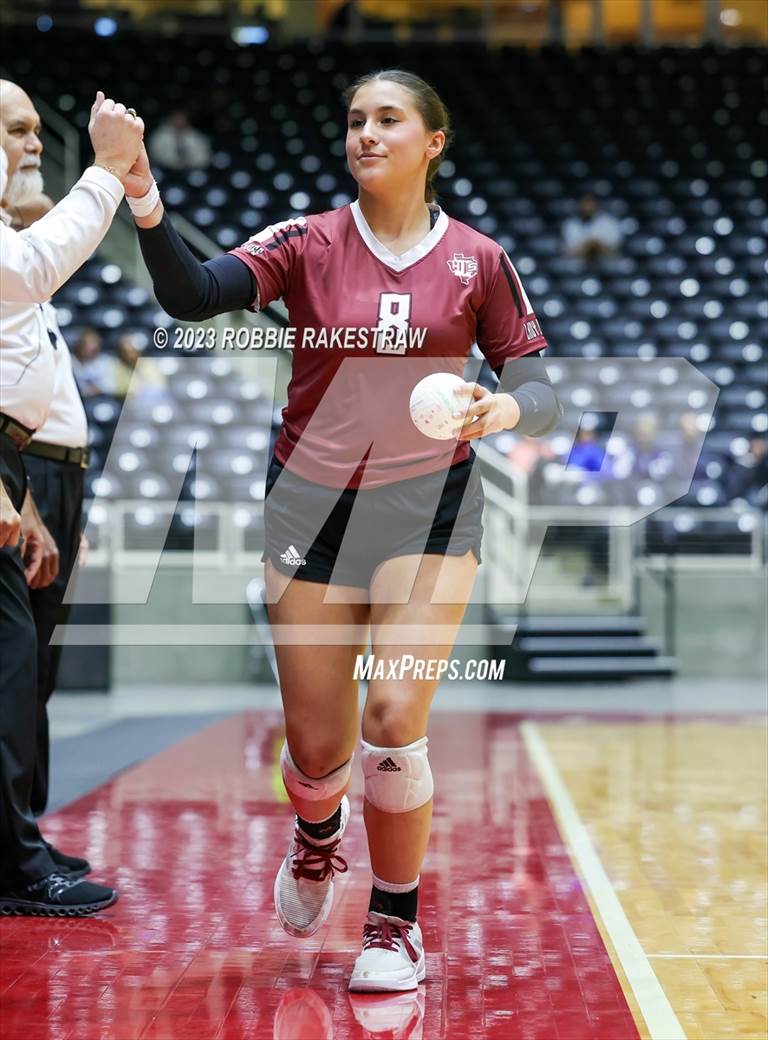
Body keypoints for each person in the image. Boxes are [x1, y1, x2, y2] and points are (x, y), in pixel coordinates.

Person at [125, 69, 561, 990]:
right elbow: (194, 296)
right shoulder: (306, 241)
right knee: (318, 750)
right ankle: (317, 833)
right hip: (311, 513)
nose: (366, 134)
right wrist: (141, 193)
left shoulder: (478, 259)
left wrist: (503, 414)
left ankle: (395, 924)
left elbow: (538, 383)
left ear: (432, 142)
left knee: (394, 722)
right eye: (356, 120)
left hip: (431, 517)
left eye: (388, 120)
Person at [0, 81, 143, 915]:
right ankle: (16, 861)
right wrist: (107, 171)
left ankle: (19, 840)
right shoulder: (19, 251)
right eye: (13, 130)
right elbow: (34, 263)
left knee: (25, 669)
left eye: (30, 128)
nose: (27, 144)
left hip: (28, 464)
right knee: (14, 667)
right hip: (18, 461)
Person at [562, 193, 622, 261]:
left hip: (606, 262)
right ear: (579, 204)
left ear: (596, 204)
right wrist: (589, 245)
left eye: (590, 203)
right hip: (578, 263)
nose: (588, 207)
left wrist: (596, 245)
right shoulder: (571, 224)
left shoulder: (609, 222)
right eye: (585, 203)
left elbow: (614, 251)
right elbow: (570, 252)